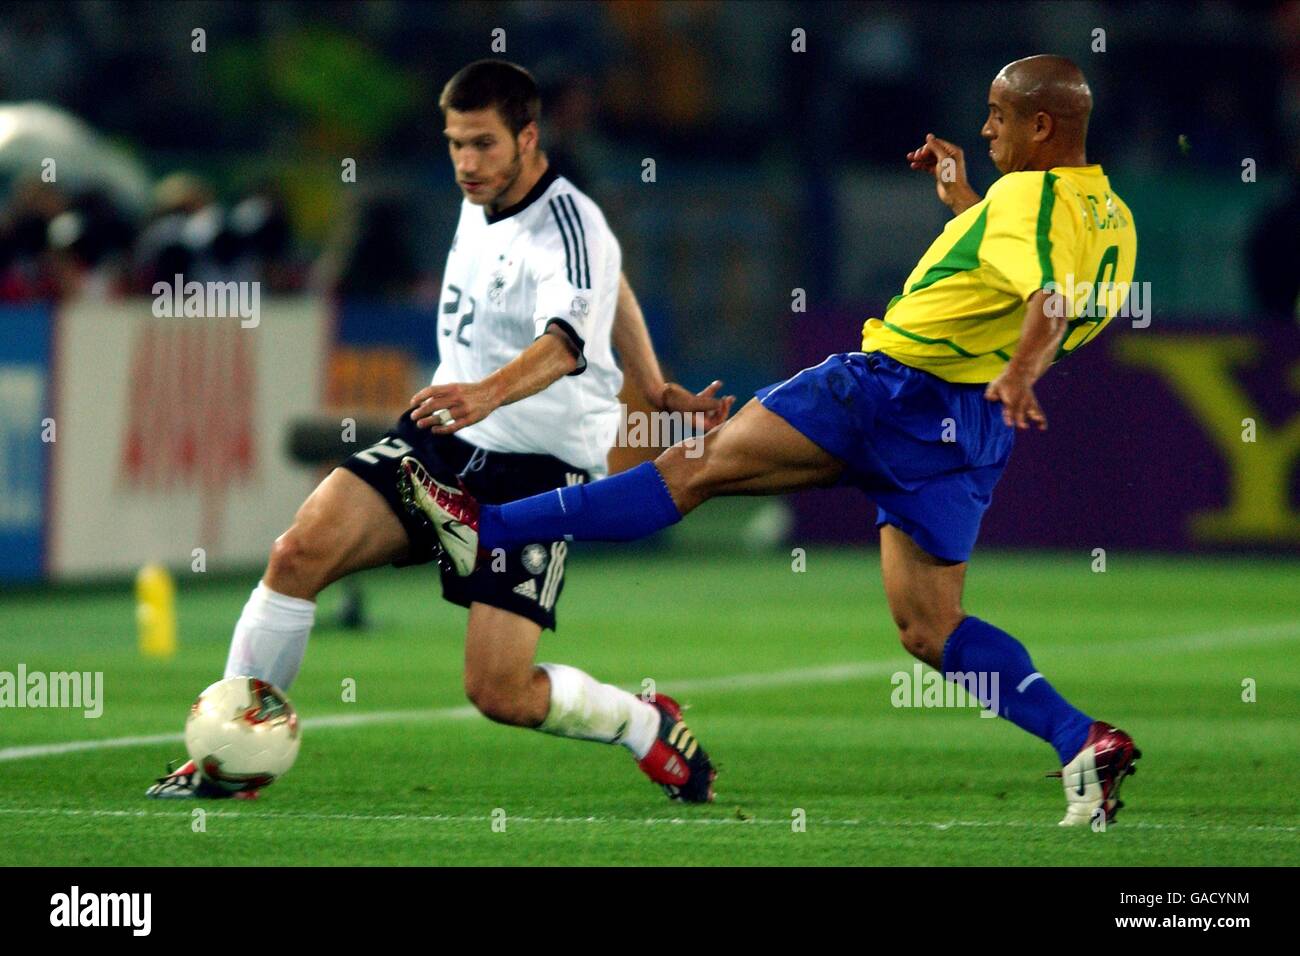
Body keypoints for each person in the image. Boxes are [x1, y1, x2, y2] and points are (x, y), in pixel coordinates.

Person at [405, 55, 1143, 827]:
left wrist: (1025, 368)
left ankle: (483, 525)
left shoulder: (1027, 197)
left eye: (998, 113)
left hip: (886, 391)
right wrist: (962, 202)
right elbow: (1025, 270)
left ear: (1043, 125)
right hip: (963, 430)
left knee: (691, 469)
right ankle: (1079, 740)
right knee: (930, 628)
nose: (986, 125)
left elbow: (1046, 297)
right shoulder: (1109, 215)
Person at [148, 59, 731, 803]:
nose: (466, 162)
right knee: (297, 554)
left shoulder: (568, 224)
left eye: (483, 144)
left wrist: (492, 393)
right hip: (445, 440)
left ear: (528, 137)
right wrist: (650, 383)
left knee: (499, 691)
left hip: (536, 469)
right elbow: (609, 283)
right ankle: (227, 755)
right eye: (455, 143)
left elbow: (566, 341)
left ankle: (643, 724)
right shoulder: (481, 195)